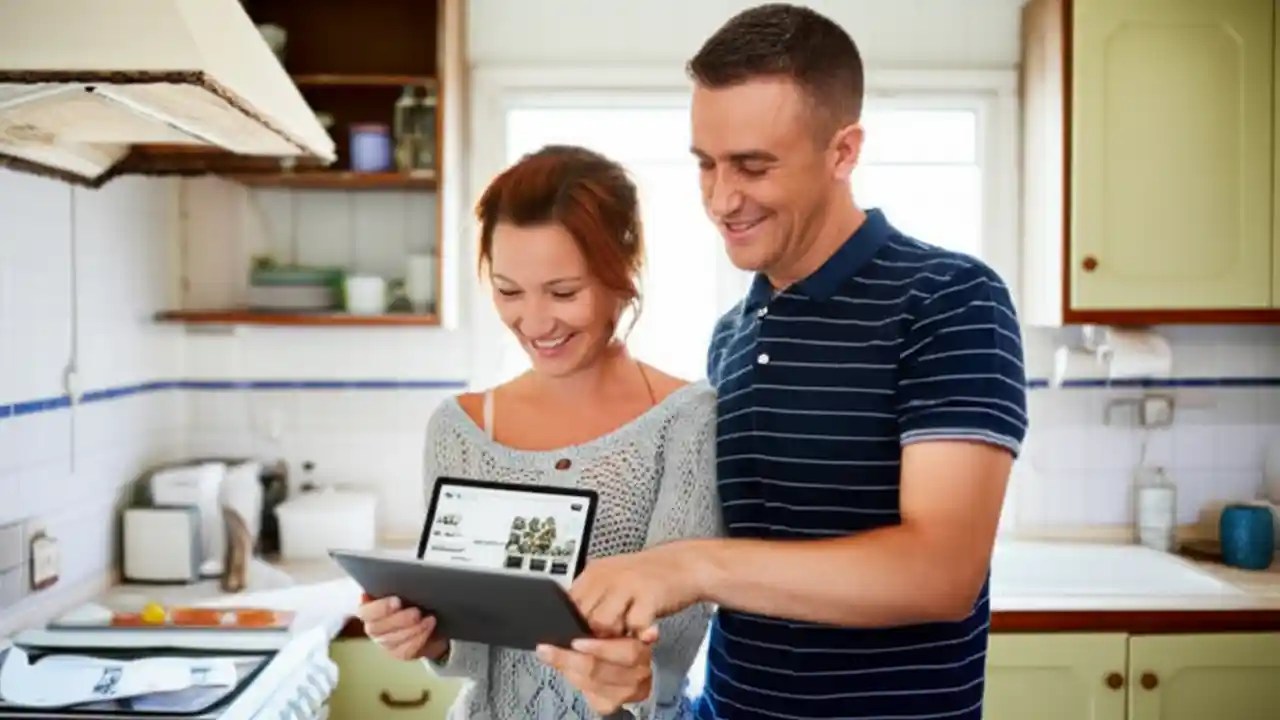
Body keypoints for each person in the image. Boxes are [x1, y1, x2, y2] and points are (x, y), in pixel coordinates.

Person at [565, 4, 1029, 720]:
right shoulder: (733, 333)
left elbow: (940, 573)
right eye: (706, 165)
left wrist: (687, 566)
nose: (722, 199)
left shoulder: (950, 300)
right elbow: (750, 575)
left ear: (843, 152)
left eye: (753, 166)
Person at [354, 144, 723, 720]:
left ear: (621, 271)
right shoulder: (461, 428)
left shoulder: (687, 418)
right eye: (508, 291)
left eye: (563, 292)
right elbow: (469, 650)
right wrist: (428, 638)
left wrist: (627, 673)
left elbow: (672, 654)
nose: (535, 321)